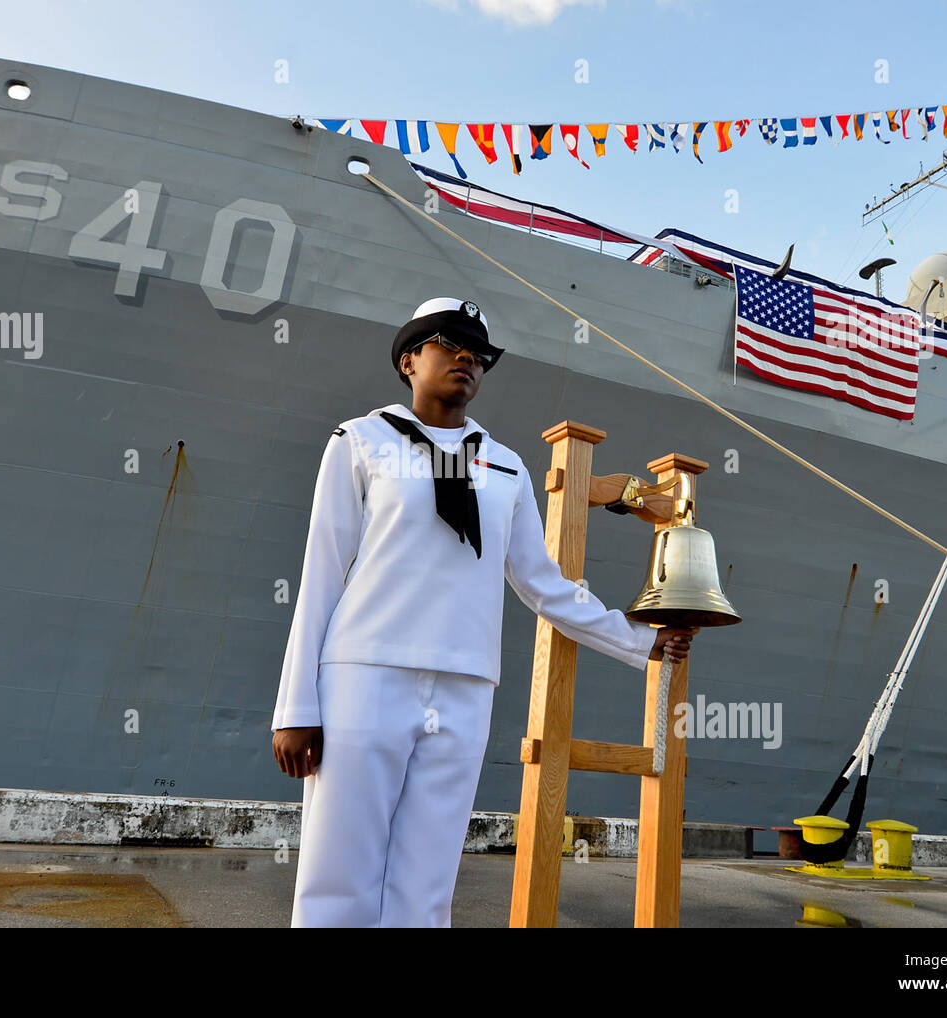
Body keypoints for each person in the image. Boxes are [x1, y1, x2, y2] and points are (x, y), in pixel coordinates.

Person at [271, 297, 697, 927]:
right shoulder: (361, 442)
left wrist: (642, 641)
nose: (466, 359)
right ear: (409, 360)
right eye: (449, 345)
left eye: (478, 353)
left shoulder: (504, 467)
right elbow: (321, 572)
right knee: (339, 881)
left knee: (427, 884)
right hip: (364, 679)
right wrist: (296, 708)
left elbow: (542, 584)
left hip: (464, 691)